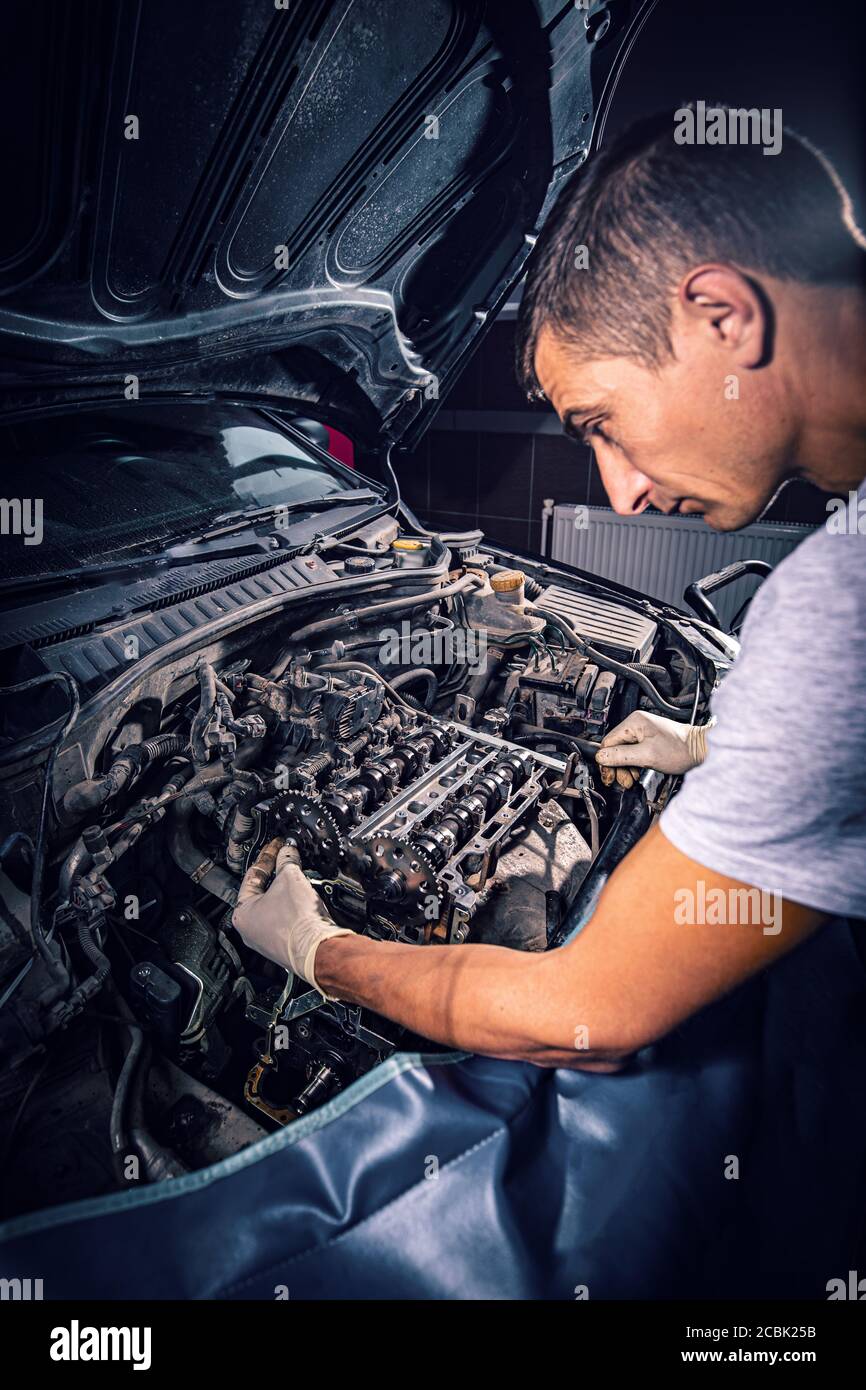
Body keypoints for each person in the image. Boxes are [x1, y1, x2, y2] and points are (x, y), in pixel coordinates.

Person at [233, 107, 866, 1071]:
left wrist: (323, 953)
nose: (621, 490)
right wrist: (708, 744)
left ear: (723, 315)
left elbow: (588, 1020)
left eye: (602, 422)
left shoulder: (838, 602)